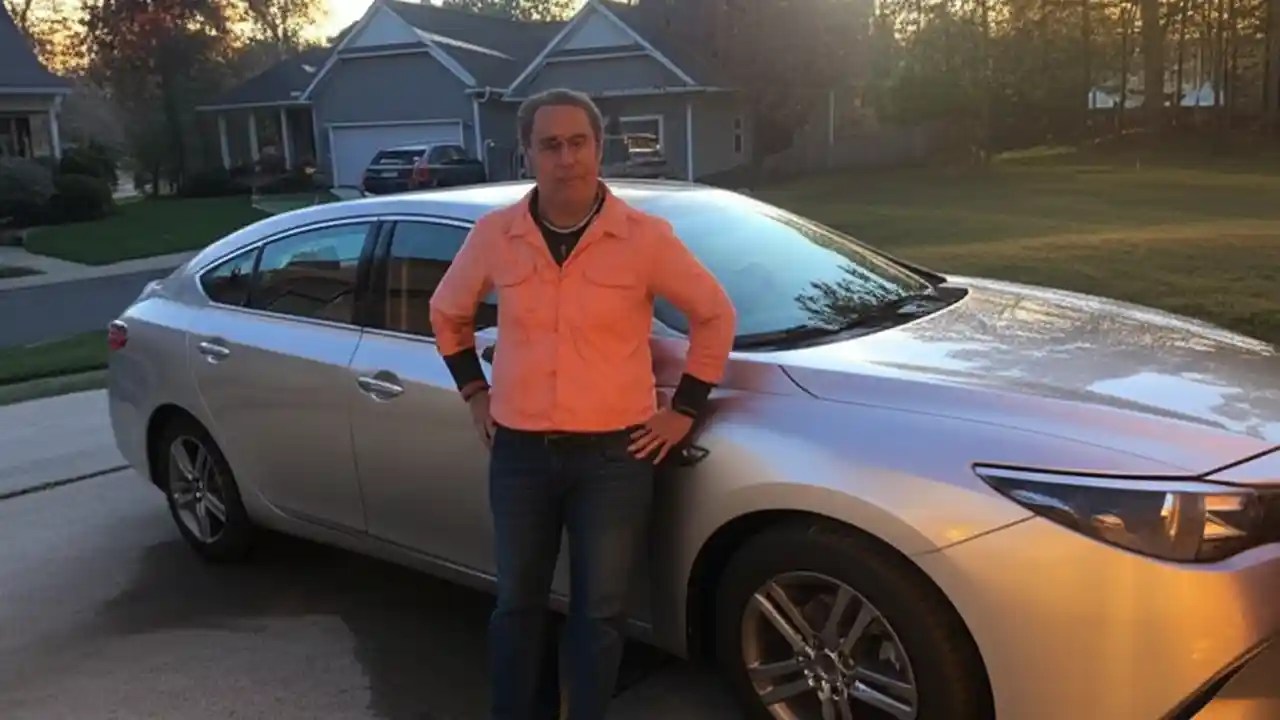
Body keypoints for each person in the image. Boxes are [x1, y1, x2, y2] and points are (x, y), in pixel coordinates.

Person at [428, 87, 736, 720]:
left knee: (600, 612)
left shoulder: (645, 238)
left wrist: (684, 408)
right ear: (527, 155)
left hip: (614, 459)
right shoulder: (496, 235)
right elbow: (446, 312)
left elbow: (714, 315)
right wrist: (474, 394)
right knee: (517, 603)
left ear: (598, 148)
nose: (565, 157)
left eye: (578, 143)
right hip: (519, 454)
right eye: (550, 145)